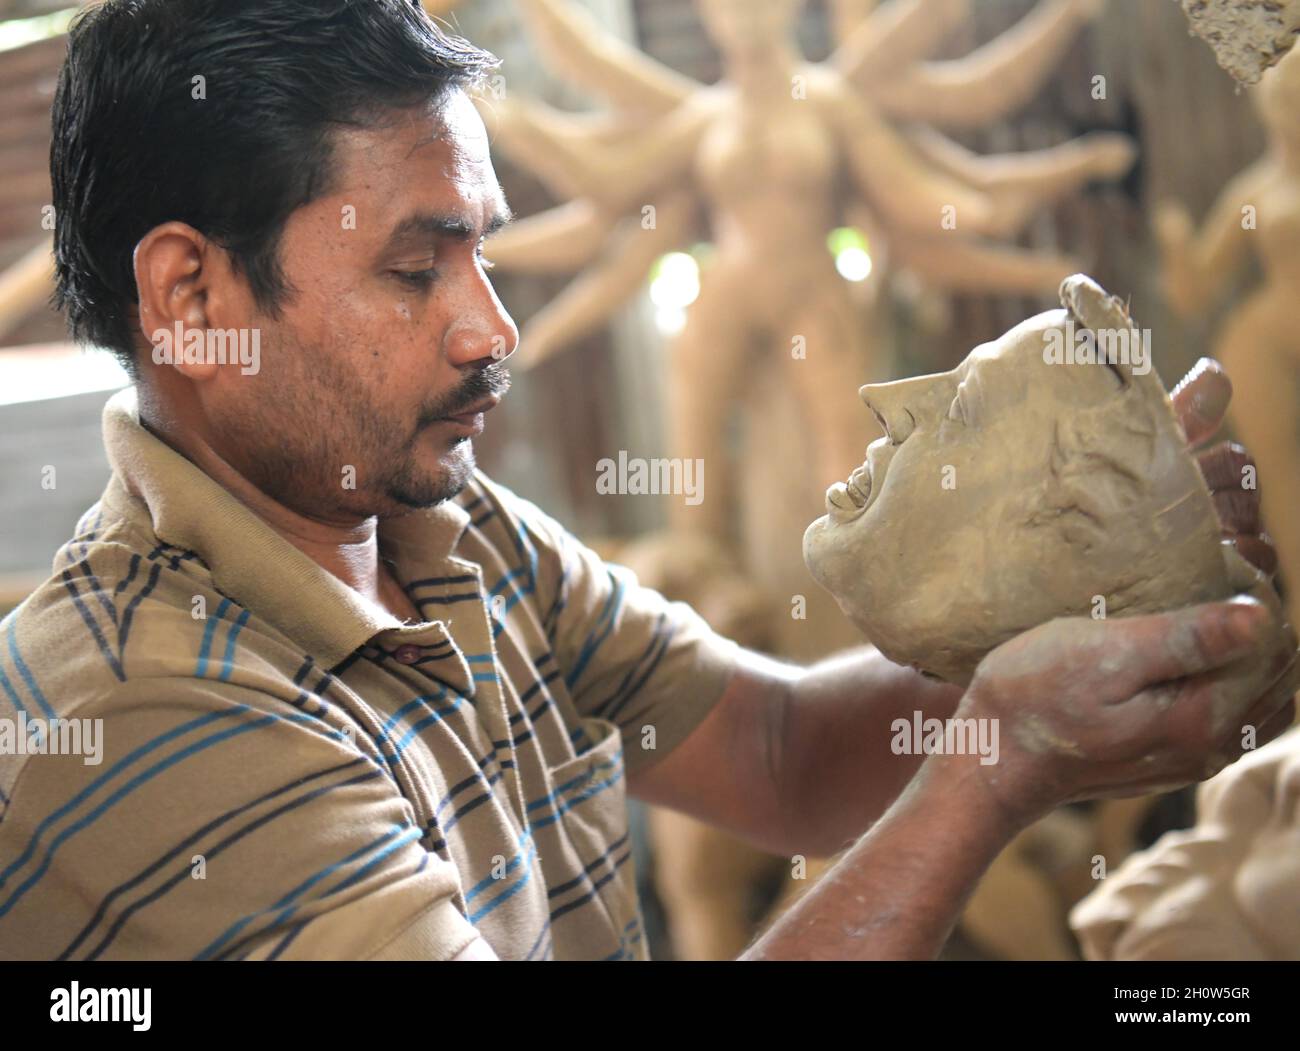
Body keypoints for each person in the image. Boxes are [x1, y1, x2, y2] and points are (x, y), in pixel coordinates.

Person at [0, 0, 1292, 961]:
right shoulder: (138, 712)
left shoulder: (447, 532)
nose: (489, 329)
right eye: (416, 270)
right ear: (192, 294)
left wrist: (1064, 599)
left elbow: (778, 753)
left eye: (483, 259)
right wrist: (1003, 761)